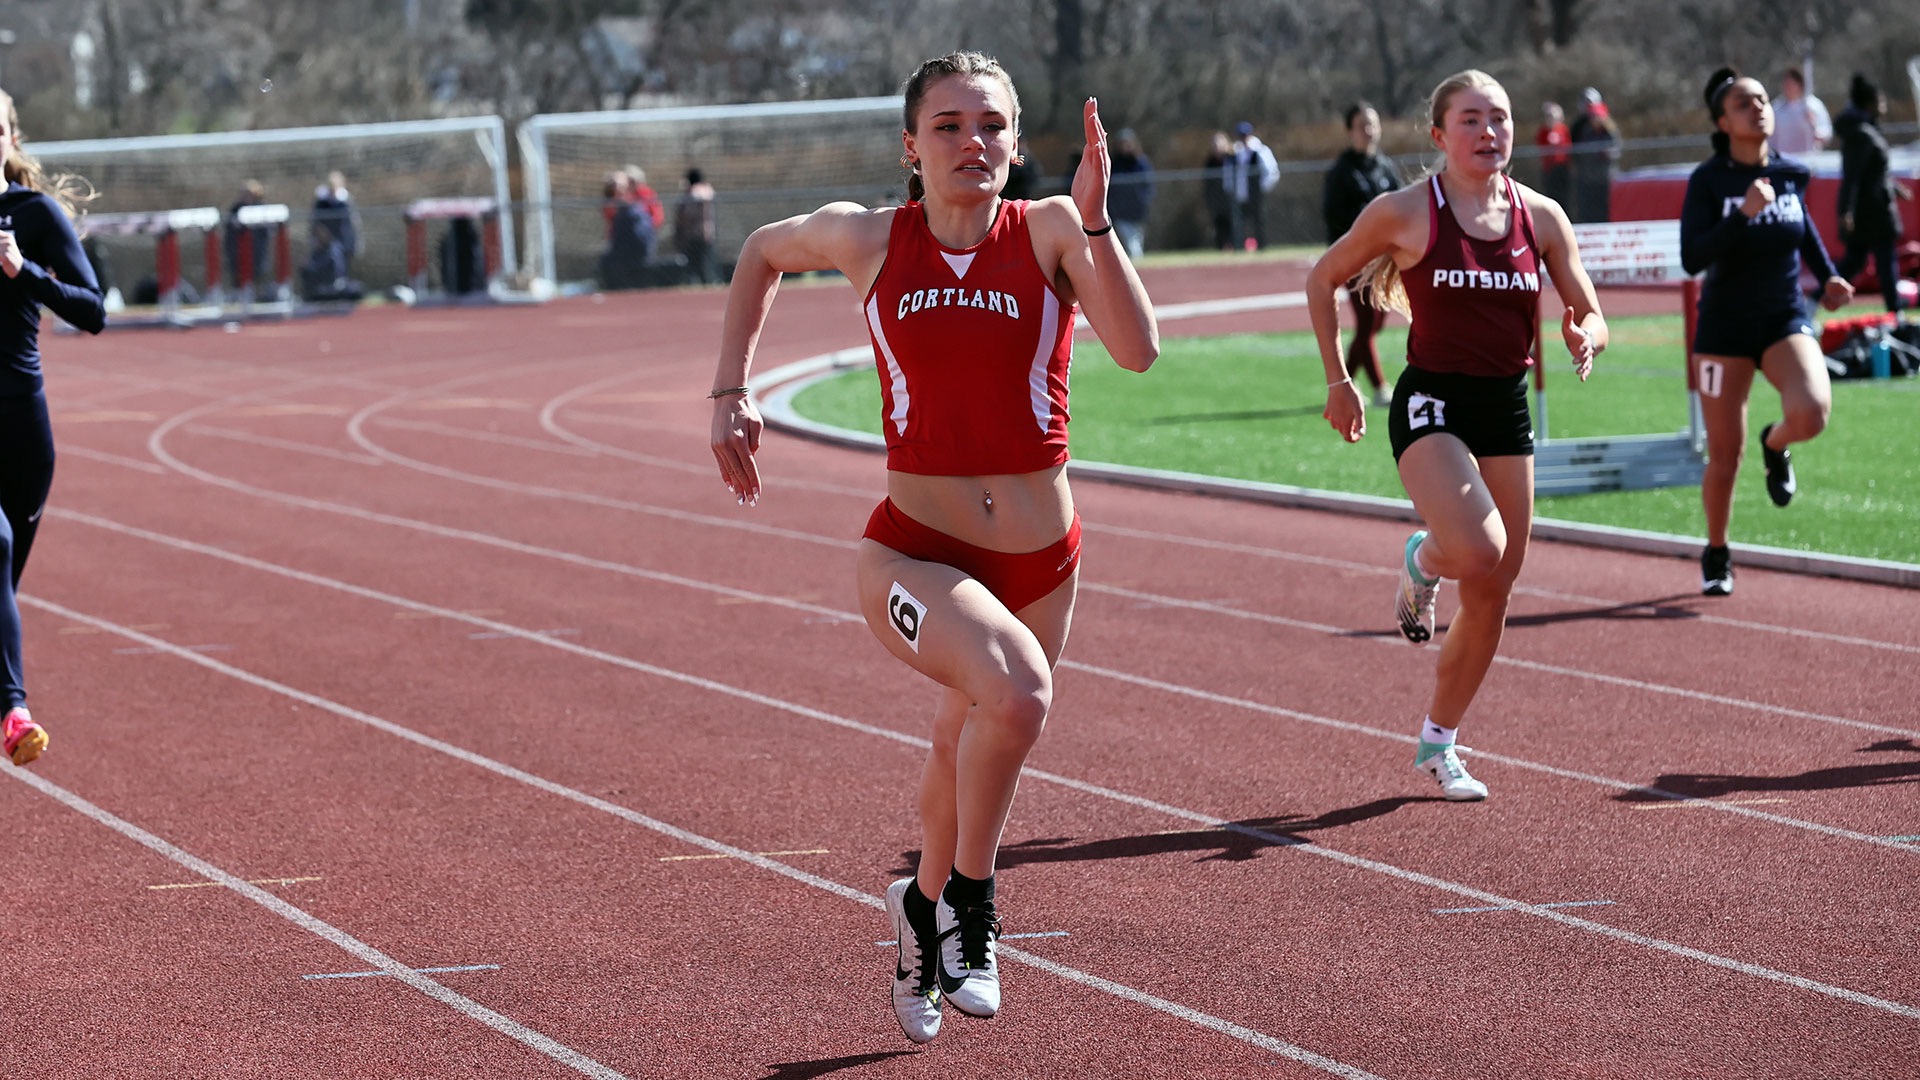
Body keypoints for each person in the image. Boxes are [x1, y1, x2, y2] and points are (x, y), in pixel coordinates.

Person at [706, 51, 1157, 1044]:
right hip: (913, 555)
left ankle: (917, 904)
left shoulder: (1047, 231)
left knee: (968, 739)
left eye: (991, 125)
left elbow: (1137, 349)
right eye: (948, 126)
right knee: (1021, 697)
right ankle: (970, 905)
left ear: (1016, 142)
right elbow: (759, 252)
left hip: (1044, 558)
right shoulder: (871, 238)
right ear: (911, 147)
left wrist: (1094, 216)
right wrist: (729, 393)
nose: (972, 143)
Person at [1304, 70, 1606, 801]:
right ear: (1440, 136)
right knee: (1478, 547)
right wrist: (1339, 383)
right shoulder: (1406, 211)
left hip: (1503, 406)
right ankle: (1425, 557)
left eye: (1499, 118)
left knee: (1495, 593)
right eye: (1471, 120)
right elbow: (1322, 280)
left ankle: (1440, 743)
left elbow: (1592, 309)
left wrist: (1584, 331)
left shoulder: (1543, 217)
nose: (1489, 133)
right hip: (1431, 400)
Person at [1681, 67, 1854, 597]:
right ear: (1722, 121)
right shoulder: (1708, 181)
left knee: (1811, 411)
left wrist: (1827, 277)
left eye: (1761, 99)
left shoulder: (1791, 174)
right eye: (1742, 103)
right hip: (1723, 329)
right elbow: (1693, 258)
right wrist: (1742, 216)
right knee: (1724, 456)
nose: (1757, 107)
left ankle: (1775, 444)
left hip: (1783, 318)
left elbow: (1804, 231)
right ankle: (1717, 552)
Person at [0, 86, 108, 767]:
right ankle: (14, 712)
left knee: (0, 585)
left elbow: (93, 309)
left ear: (10, 137)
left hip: (21, 428)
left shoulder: (33, 214)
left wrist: (24, 270)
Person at [1321, 101, 1403, 407]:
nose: (1368, 131)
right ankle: (1381, 388)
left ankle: (1347, 381)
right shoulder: (1342, 172)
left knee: (1377, 323)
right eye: (1361, 125)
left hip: (1383, 260)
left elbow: (1400, 207)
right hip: (1355, 260)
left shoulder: (1385, 167)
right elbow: (1334, 216)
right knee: (1368, 322)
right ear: (1349, 131)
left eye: (1372, 123)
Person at [1834, 74, 1912, 314]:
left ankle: (1816, 298)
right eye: (1880, 100)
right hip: (1873, 210)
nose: (1884, 105)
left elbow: (1874, 172)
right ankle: (1894, 308)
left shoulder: (1867, 131)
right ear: (1869, 103)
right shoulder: (1863, 135)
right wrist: (1846, 210)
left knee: (1855, 262)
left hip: (1872, 207)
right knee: (1884, 261)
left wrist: (1896, 188)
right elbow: (1853, 176)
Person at [1223, 120, 1279, 249]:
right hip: (1239, 194)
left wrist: (1262, 187)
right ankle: (1239, 246)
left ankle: (1262, 246)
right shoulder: (1235, 151)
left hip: (1255, 194)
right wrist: (1230, 188)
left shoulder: (1260, 150)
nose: (1243, 139)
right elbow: (1228, 172)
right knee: (1238, 222)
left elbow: (1271, 171)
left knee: (1258, 221)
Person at [1569, 88, 1620, 224]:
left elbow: (1615, 149)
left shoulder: (1609, 131)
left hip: (1605, 177)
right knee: (1587, 209)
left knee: (1605, 208)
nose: (1594, 119)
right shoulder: (1582, 129)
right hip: (1586, 177)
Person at [598, 171, 656, 290]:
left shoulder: (641, 196)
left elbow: (655, 216)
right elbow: (609, 215)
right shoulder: (613, 201)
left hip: (638, 242)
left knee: (639, 276)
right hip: (621, 243)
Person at [1106, 128, 1155, 259]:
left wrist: (1144, 201)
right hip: (1120, 211)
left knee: (1137, 240)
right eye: (1122, 143)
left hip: (1138, 210)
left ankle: (1138, 267)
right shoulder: (1114, 164)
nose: (1125, 147)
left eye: (1127, 143)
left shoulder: (1141, 163)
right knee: (1130, 243)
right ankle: (1136, 266)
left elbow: (1148, 185)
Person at [673, 167, 719, 285]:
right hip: (706, 232)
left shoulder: (694, 192)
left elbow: (688, 213)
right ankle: (707, 281)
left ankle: (701, 281)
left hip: (694, 233)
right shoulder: (707, 190)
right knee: (705, 261)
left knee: (696, 262)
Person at [1772, 67, 1831, 155]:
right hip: (1784, 160)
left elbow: (1825, 133)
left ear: (1799, 85)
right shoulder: (1776, 108)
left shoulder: (1814, 106)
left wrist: (1815, 129)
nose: (1788, 87)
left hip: (1809, 159)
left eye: (1791, 84)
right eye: (1786, 83)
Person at [311, 171, 359, 276]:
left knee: (342, 263)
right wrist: (321, 236)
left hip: (343, 240)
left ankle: (340, 282)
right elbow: (315, 222)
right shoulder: (321, 202)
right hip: (324, 241)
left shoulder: (345, 201)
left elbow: (352, 224)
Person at [1202, 130, 1235, 251]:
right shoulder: (1210, 162)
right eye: (1215, 145)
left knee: (1233, 225)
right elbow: (1207, 183)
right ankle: (1222, 249)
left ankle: (1235, 247)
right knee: (1219, 226)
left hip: (1232, 198)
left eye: (1220, 144)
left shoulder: (1232, 159)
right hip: (1217, 200)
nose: (1217, 148)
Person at [1536, 101, 1572, 208]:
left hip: (1562, 168)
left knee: (1564, 196)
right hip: (1549, 169)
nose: (1551, 119)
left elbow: (1567, 145)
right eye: (1548, 116)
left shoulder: (1563, 129)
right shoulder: (1543, 131)